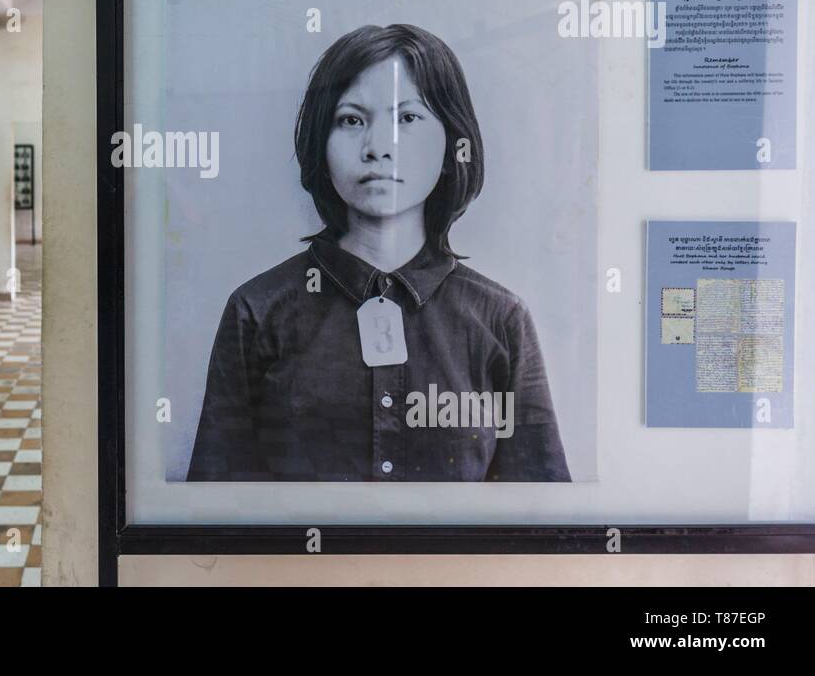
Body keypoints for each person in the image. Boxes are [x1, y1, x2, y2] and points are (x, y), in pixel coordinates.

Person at [187, 24, 570, 482]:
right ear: (320, 143)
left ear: (451, 142)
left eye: (407, 118)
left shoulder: (501, 320)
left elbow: (538, 527)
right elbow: (214, 525)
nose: (378, 148)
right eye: (351, 120)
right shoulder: (257, 311)